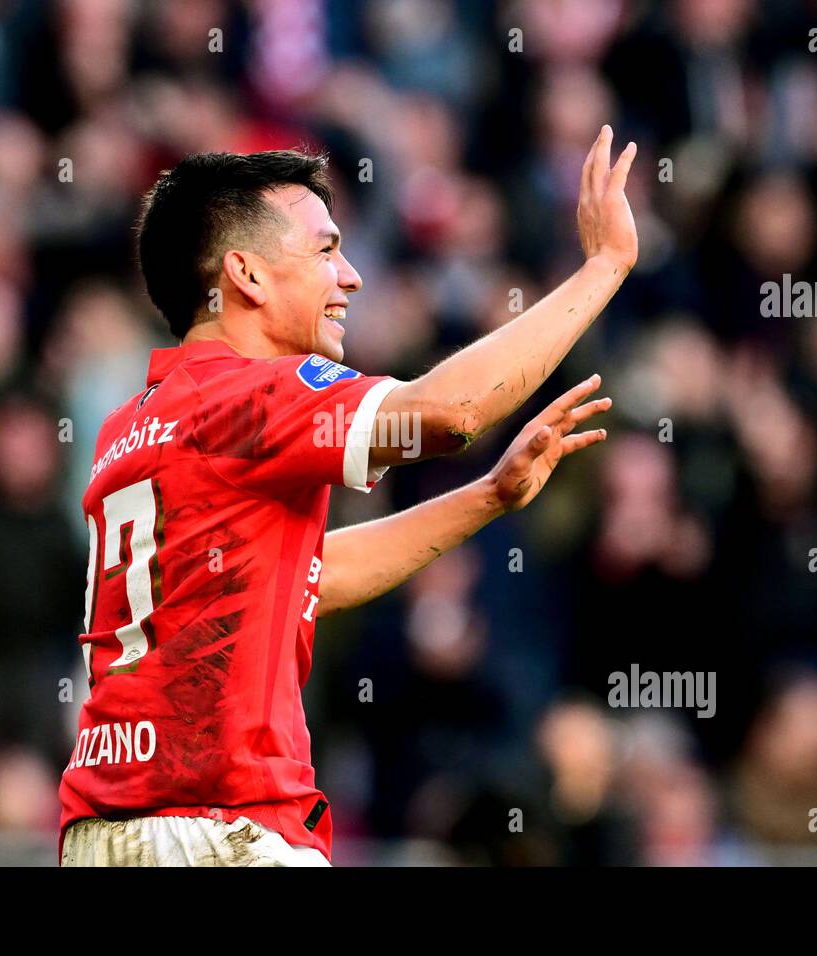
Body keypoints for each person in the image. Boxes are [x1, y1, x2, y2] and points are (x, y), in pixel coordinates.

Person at [59, 126, 639, 866]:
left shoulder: (133, 423)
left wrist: (488, 497)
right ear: (247, 275)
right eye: (327, 249)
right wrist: (606, 266)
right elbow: (450, 412)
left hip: (101, 831)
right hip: (225, 826)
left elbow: (307, 576)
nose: (351, 276)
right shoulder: (257, 393)